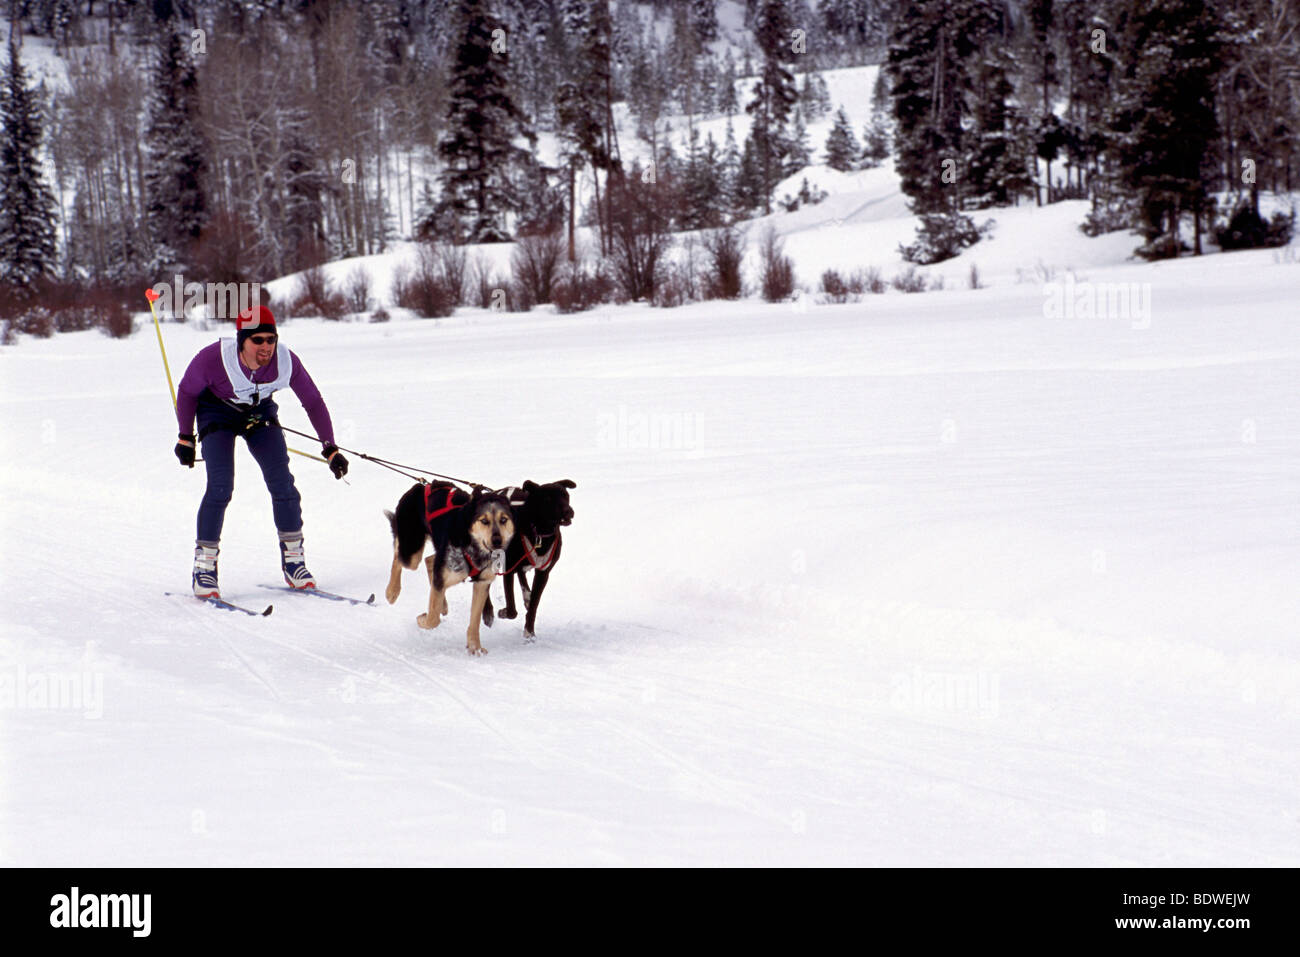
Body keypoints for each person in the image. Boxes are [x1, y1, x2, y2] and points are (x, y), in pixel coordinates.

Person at [173, 304, 348, 597]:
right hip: (217, 414)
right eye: (258, 340)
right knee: (220, 487)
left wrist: (330, 448)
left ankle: (294, 563)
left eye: (271, 339)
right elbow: (188, 392)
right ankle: (204, 568)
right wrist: (184, 438)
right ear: (242, 341)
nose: (266, 347)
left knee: (283, 484)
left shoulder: (286, 361)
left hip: (259, 415)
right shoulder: (213, 360)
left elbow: (313, 401)